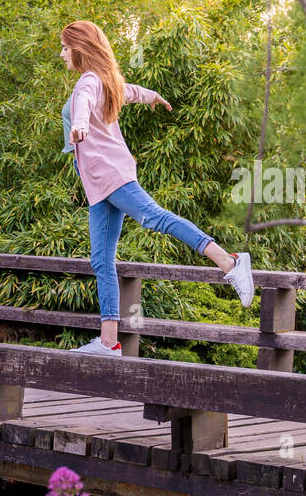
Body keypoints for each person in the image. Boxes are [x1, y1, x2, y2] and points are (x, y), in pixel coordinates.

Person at [59, 20, 254, 356]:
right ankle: (108, 342)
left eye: (65, 48)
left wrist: (79, 124)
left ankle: (230, 262)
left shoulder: (88, 81)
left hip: (112, 176)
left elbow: (84, 105)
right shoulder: (106, 79)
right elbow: (129, 90)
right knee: (101, 261)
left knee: (154, 217)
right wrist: (152, 96)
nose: (62, 55)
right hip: (99, 186)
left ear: (80, 49)